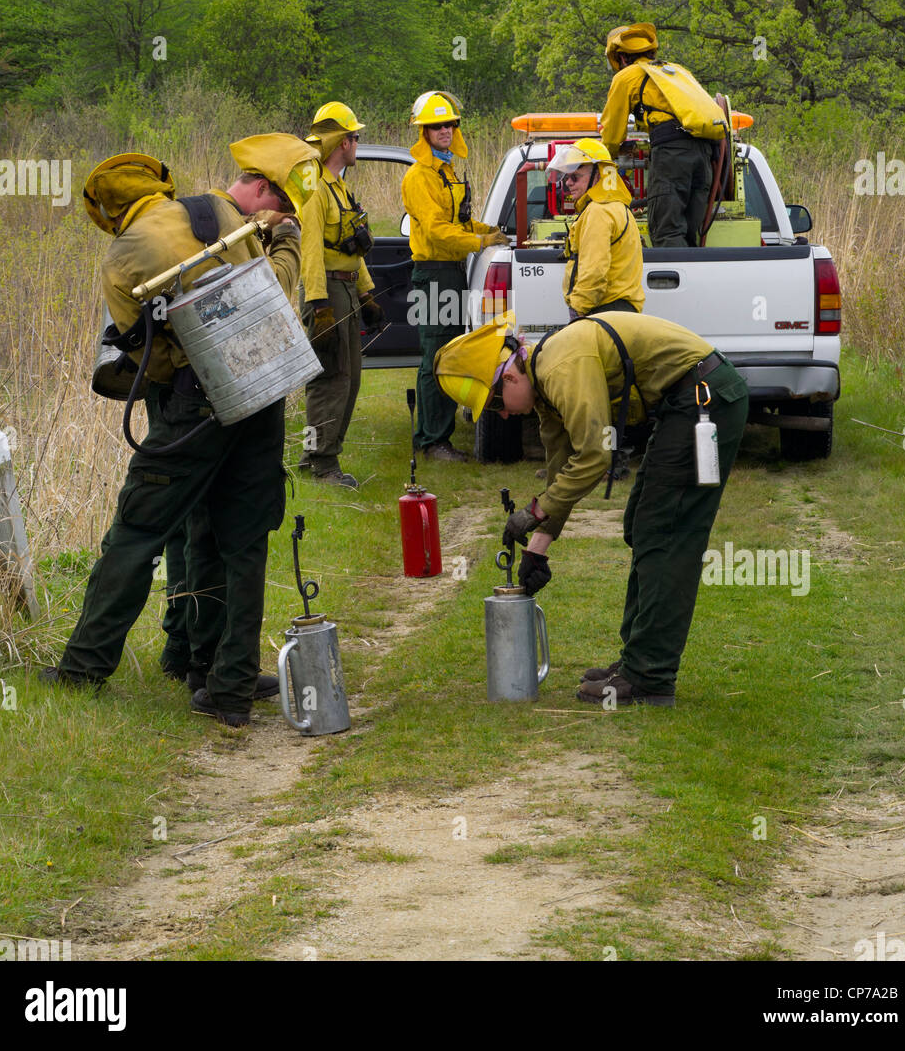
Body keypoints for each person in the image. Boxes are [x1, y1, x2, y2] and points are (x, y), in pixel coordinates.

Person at [42, 135, 311, 726]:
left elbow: (150, 362)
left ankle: (83, 667)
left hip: (198, 406)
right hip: (265, 388)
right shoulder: (215, 208)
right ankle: (229, 684)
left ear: (107, 212)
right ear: (158, 184)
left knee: (137, 530)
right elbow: (270, 280)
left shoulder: (120, 257)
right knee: (241, 539)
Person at [434, 311, 748, 707]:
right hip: (683, 402)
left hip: (705, 399)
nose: (504, 415)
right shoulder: (545, 387)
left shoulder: (561, 367)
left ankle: (649, 677)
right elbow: (560, 475)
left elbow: (594, 457)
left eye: (496, 403)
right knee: (641, 524)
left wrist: (534, 513)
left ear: (510, 377)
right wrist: (537, 548)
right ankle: (636, 661)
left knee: (663, 533)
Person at [401, 90, 506, 461]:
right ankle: (431, 441)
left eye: (449, 124)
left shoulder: (445, 170)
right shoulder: (420, 176)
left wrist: (490, 230)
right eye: (436, 126)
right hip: (433, 274)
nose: (445, 130)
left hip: (450, 271)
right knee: (435, 355)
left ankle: (435, 438)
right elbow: (435, 231)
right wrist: (479, 241)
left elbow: (456, 222)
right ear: (423, 132)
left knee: (446, 351)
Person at [299, 101, 383, 489]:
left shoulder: (341, 189)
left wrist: (367, 295)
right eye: (352, 137)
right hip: (328, 291)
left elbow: (353, 248)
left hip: (345, 288)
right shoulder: (314, 189)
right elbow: (311, 249)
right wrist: (319, 306)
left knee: (347, 378)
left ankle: (317, 454)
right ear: (339, 143)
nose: (356, 143)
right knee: (330, 378)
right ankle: (320, 463)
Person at [600, 22, 715, 248]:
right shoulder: (677, 71)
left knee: (667, 231)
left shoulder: (626, 77)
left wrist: (603, 157)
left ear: (621, 58)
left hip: (672, 155)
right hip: (704, 153)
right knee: (690, 234)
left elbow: (613, 134)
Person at [546, 139, 645, 319]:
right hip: (620, 312)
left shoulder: (598, 212)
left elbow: (594, 272)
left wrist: (578, 310)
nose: (568, 183)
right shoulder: (616, 207)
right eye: (567, 177)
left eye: (575, 176)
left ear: (598, 175)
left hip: (603, 311)